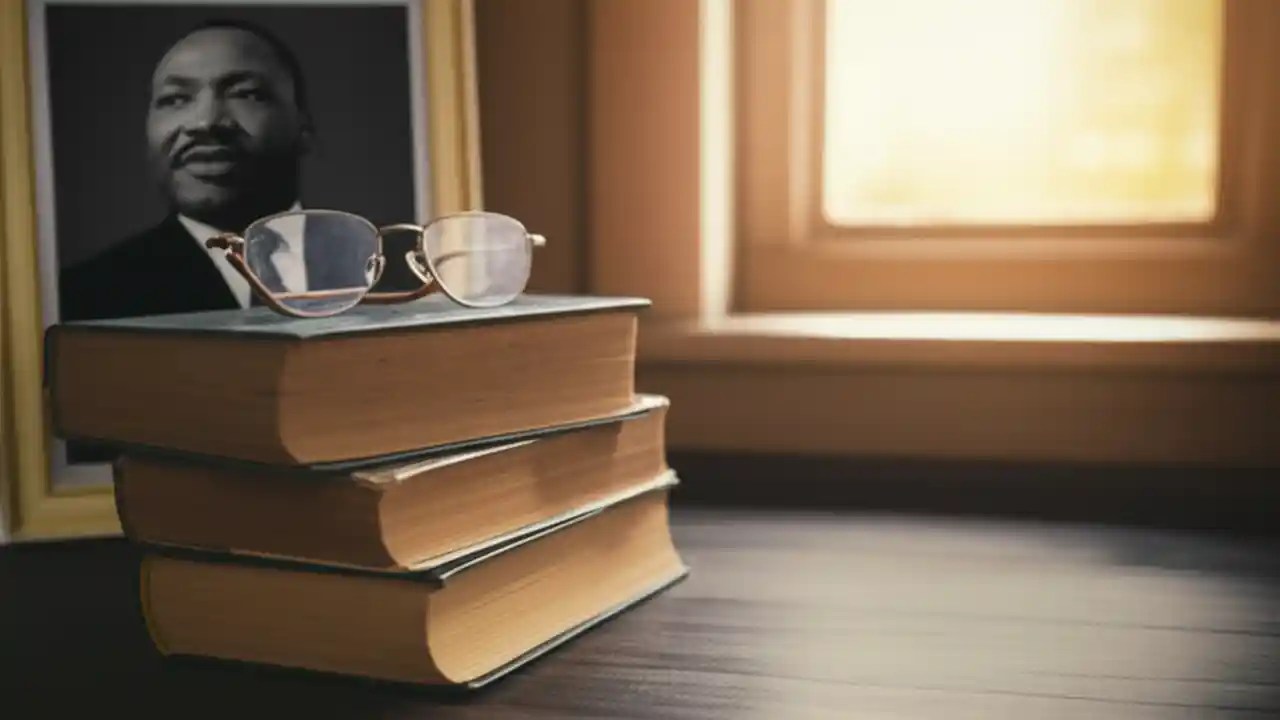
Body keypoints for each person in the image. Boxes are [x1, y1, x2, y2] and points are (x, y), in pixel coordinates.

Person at [57, 18, 362, 322]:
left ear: (303, 126)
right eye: (175, 99)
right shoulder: (78, 299)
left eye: (246, 94)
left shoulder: (394, 273)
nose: (205, 122)